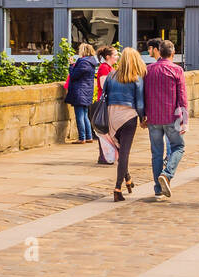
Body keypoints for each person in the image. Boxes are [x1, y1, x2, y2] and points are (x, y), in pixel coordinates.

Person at [145, 39, 187, 198]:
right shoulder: (177, 70)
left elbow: (143, 95)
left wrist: (143, 115)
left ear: (159, 52)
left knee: (156, 153)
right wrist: (185, 120)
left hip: (153, 117)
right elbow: (182, 97)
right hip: (172, 116)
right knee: (178, 147)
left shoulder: (148, 70)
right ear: (173, 53)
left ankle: (158, 190)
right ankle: (167, 174)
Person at [102, 47, 146, 201]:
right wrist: (142, 118)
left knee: (121, 151)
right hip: (128, 116)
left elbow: (104, 95)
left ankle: (128, 179)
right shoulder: (136, 78)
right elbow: (140, 103)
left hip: (112, 115)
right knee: (125, 152)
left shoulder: (111, 75)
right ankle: (117, 187)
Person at [65, 43, 98, 144]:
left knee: (79, 115)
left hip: (80, 91)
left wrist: (71, 65)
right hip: (87, 91)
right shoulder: (91, 62)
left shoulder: (83, 62)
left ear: (83, 51)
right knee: (84, 115)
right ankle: (89, 137)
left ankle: (82, 138)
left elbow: (74, 75)